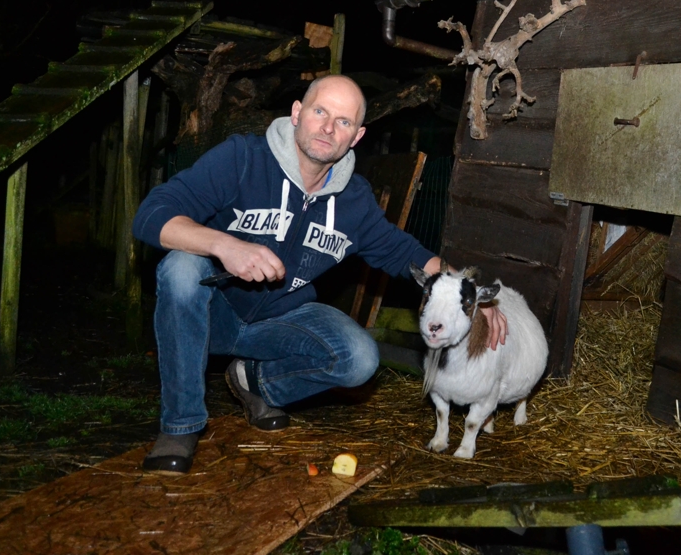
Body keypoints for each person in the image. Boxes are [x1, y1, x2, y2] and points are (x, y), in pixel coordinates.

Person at [132, 74, 506, 474]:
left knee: (361, 357)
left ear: (357, 136)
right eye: (320, 111)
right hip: (213, 314)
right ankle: (181, 423)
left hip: (279, 321)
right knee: (181, 267)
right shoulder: (242, 158)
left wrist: (473, 299)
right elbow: (151, 216)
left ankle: (254, 380)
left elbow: (404, 251)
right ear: (297, 114)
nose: (328, 127)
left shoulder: (354, 201)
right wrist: (225, 245)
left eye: (343, 121)